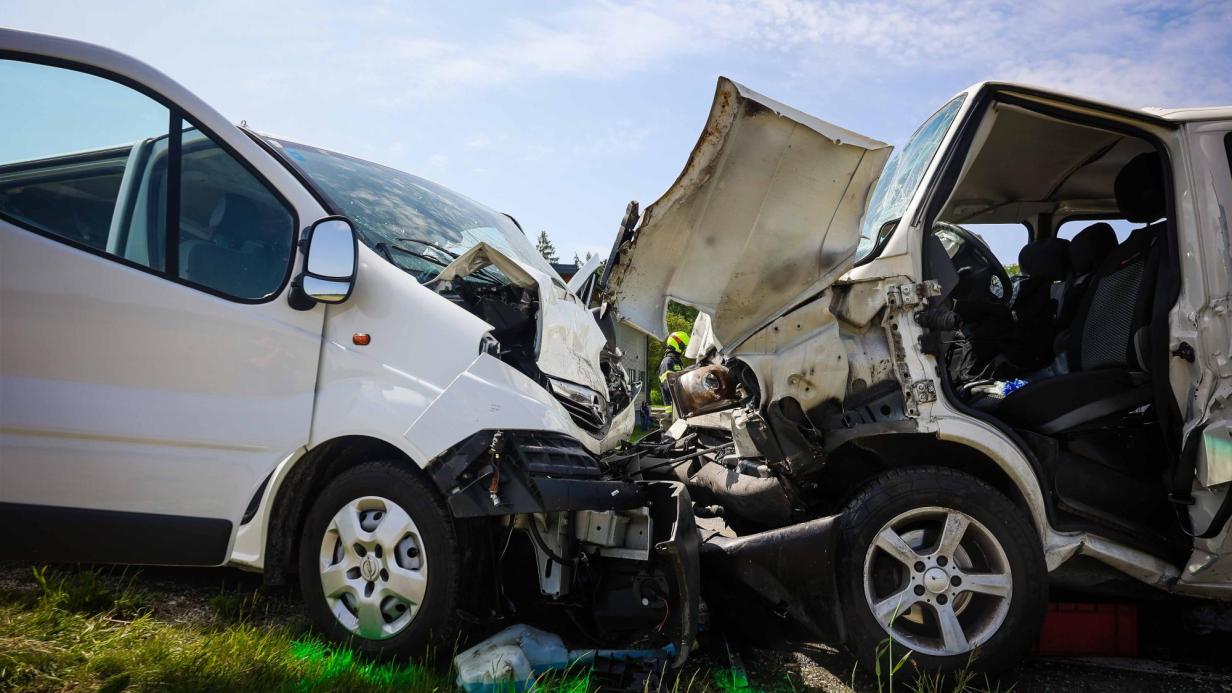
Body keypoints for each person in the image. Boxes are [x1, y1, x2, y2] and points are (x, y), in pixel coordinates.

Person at [657, 331, 689, 411]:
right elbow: (668, 387)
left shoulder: (676, 361)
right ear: (678, 344)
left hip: (679, 408)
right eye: (683, 346)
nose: (684, 349)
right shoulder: (667, 362)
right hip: (672, 411)